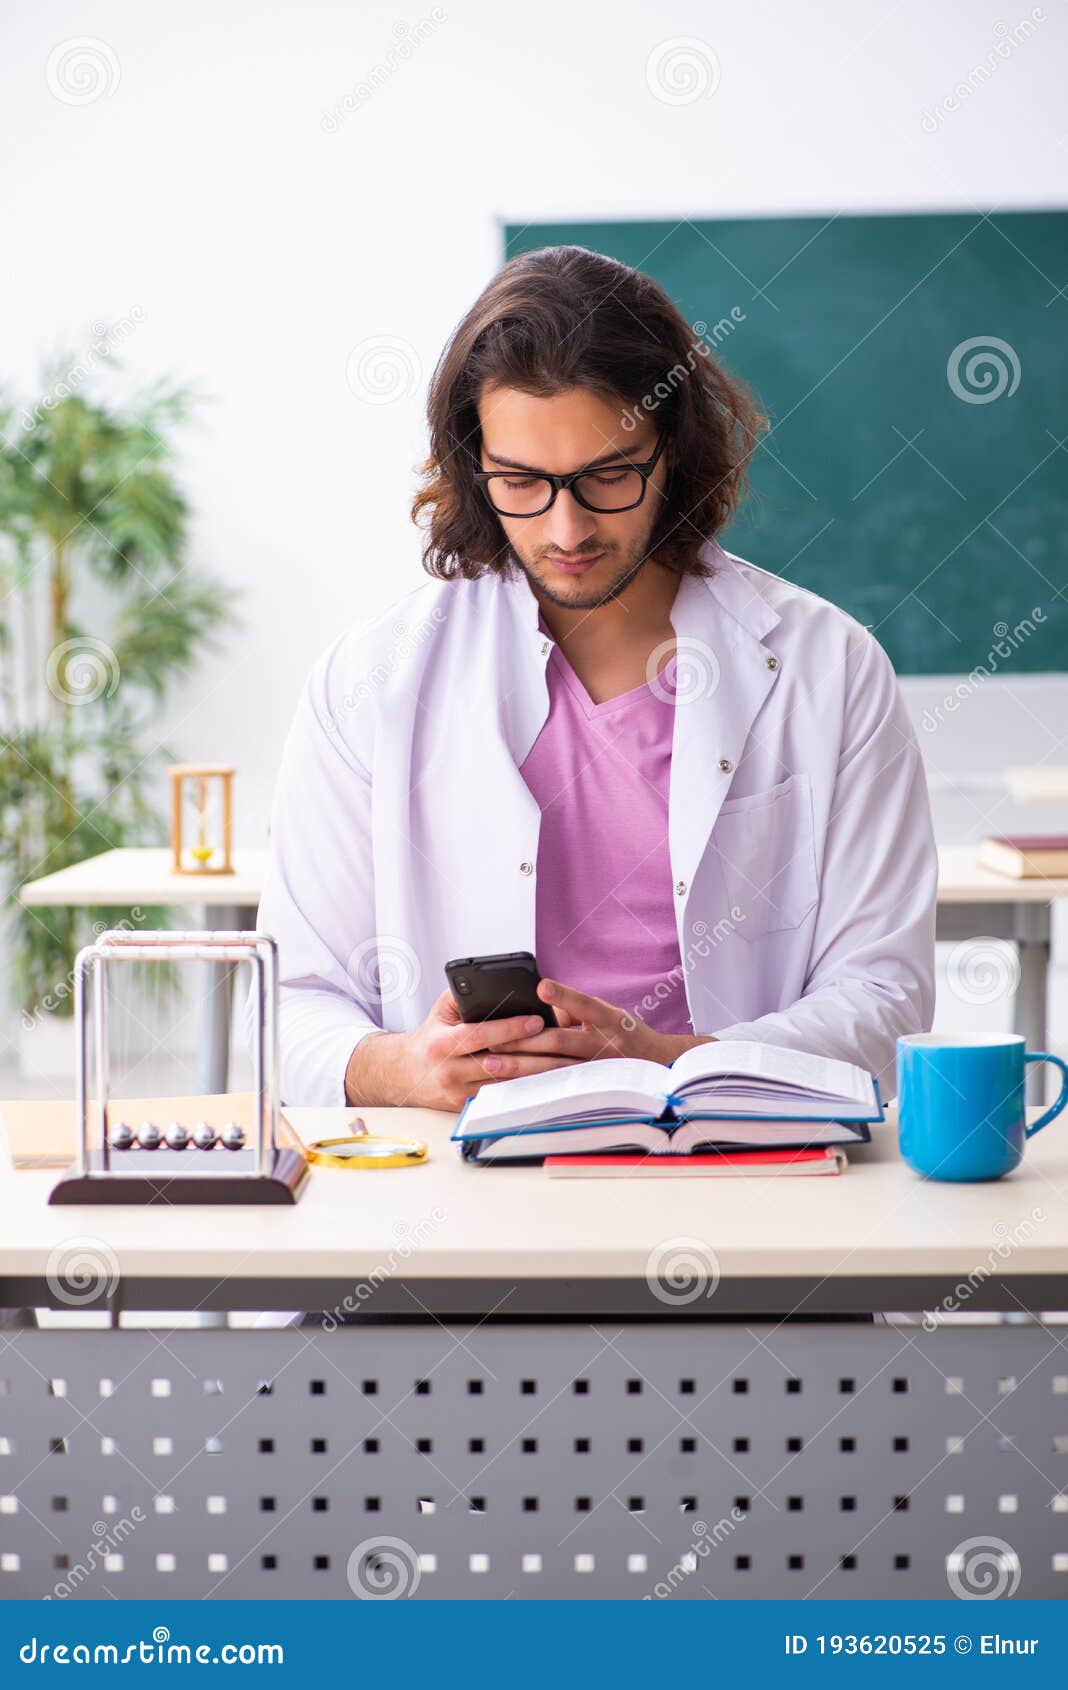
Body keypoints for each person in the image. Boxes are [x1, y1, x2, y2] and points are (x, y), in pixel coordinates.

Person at [249, 245, 937, 1113]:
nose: (566, 528)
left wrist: (672, 1061)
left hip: (739, 1155)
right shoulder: (368, 682)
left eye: (608, 475)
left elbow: (886, 998)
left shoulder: (828, 668)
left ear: (674, 453)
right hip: (460, 1185)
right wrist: (409, 1069)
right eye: (522, 481)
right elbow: (287, 1006)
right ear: (474, 466)